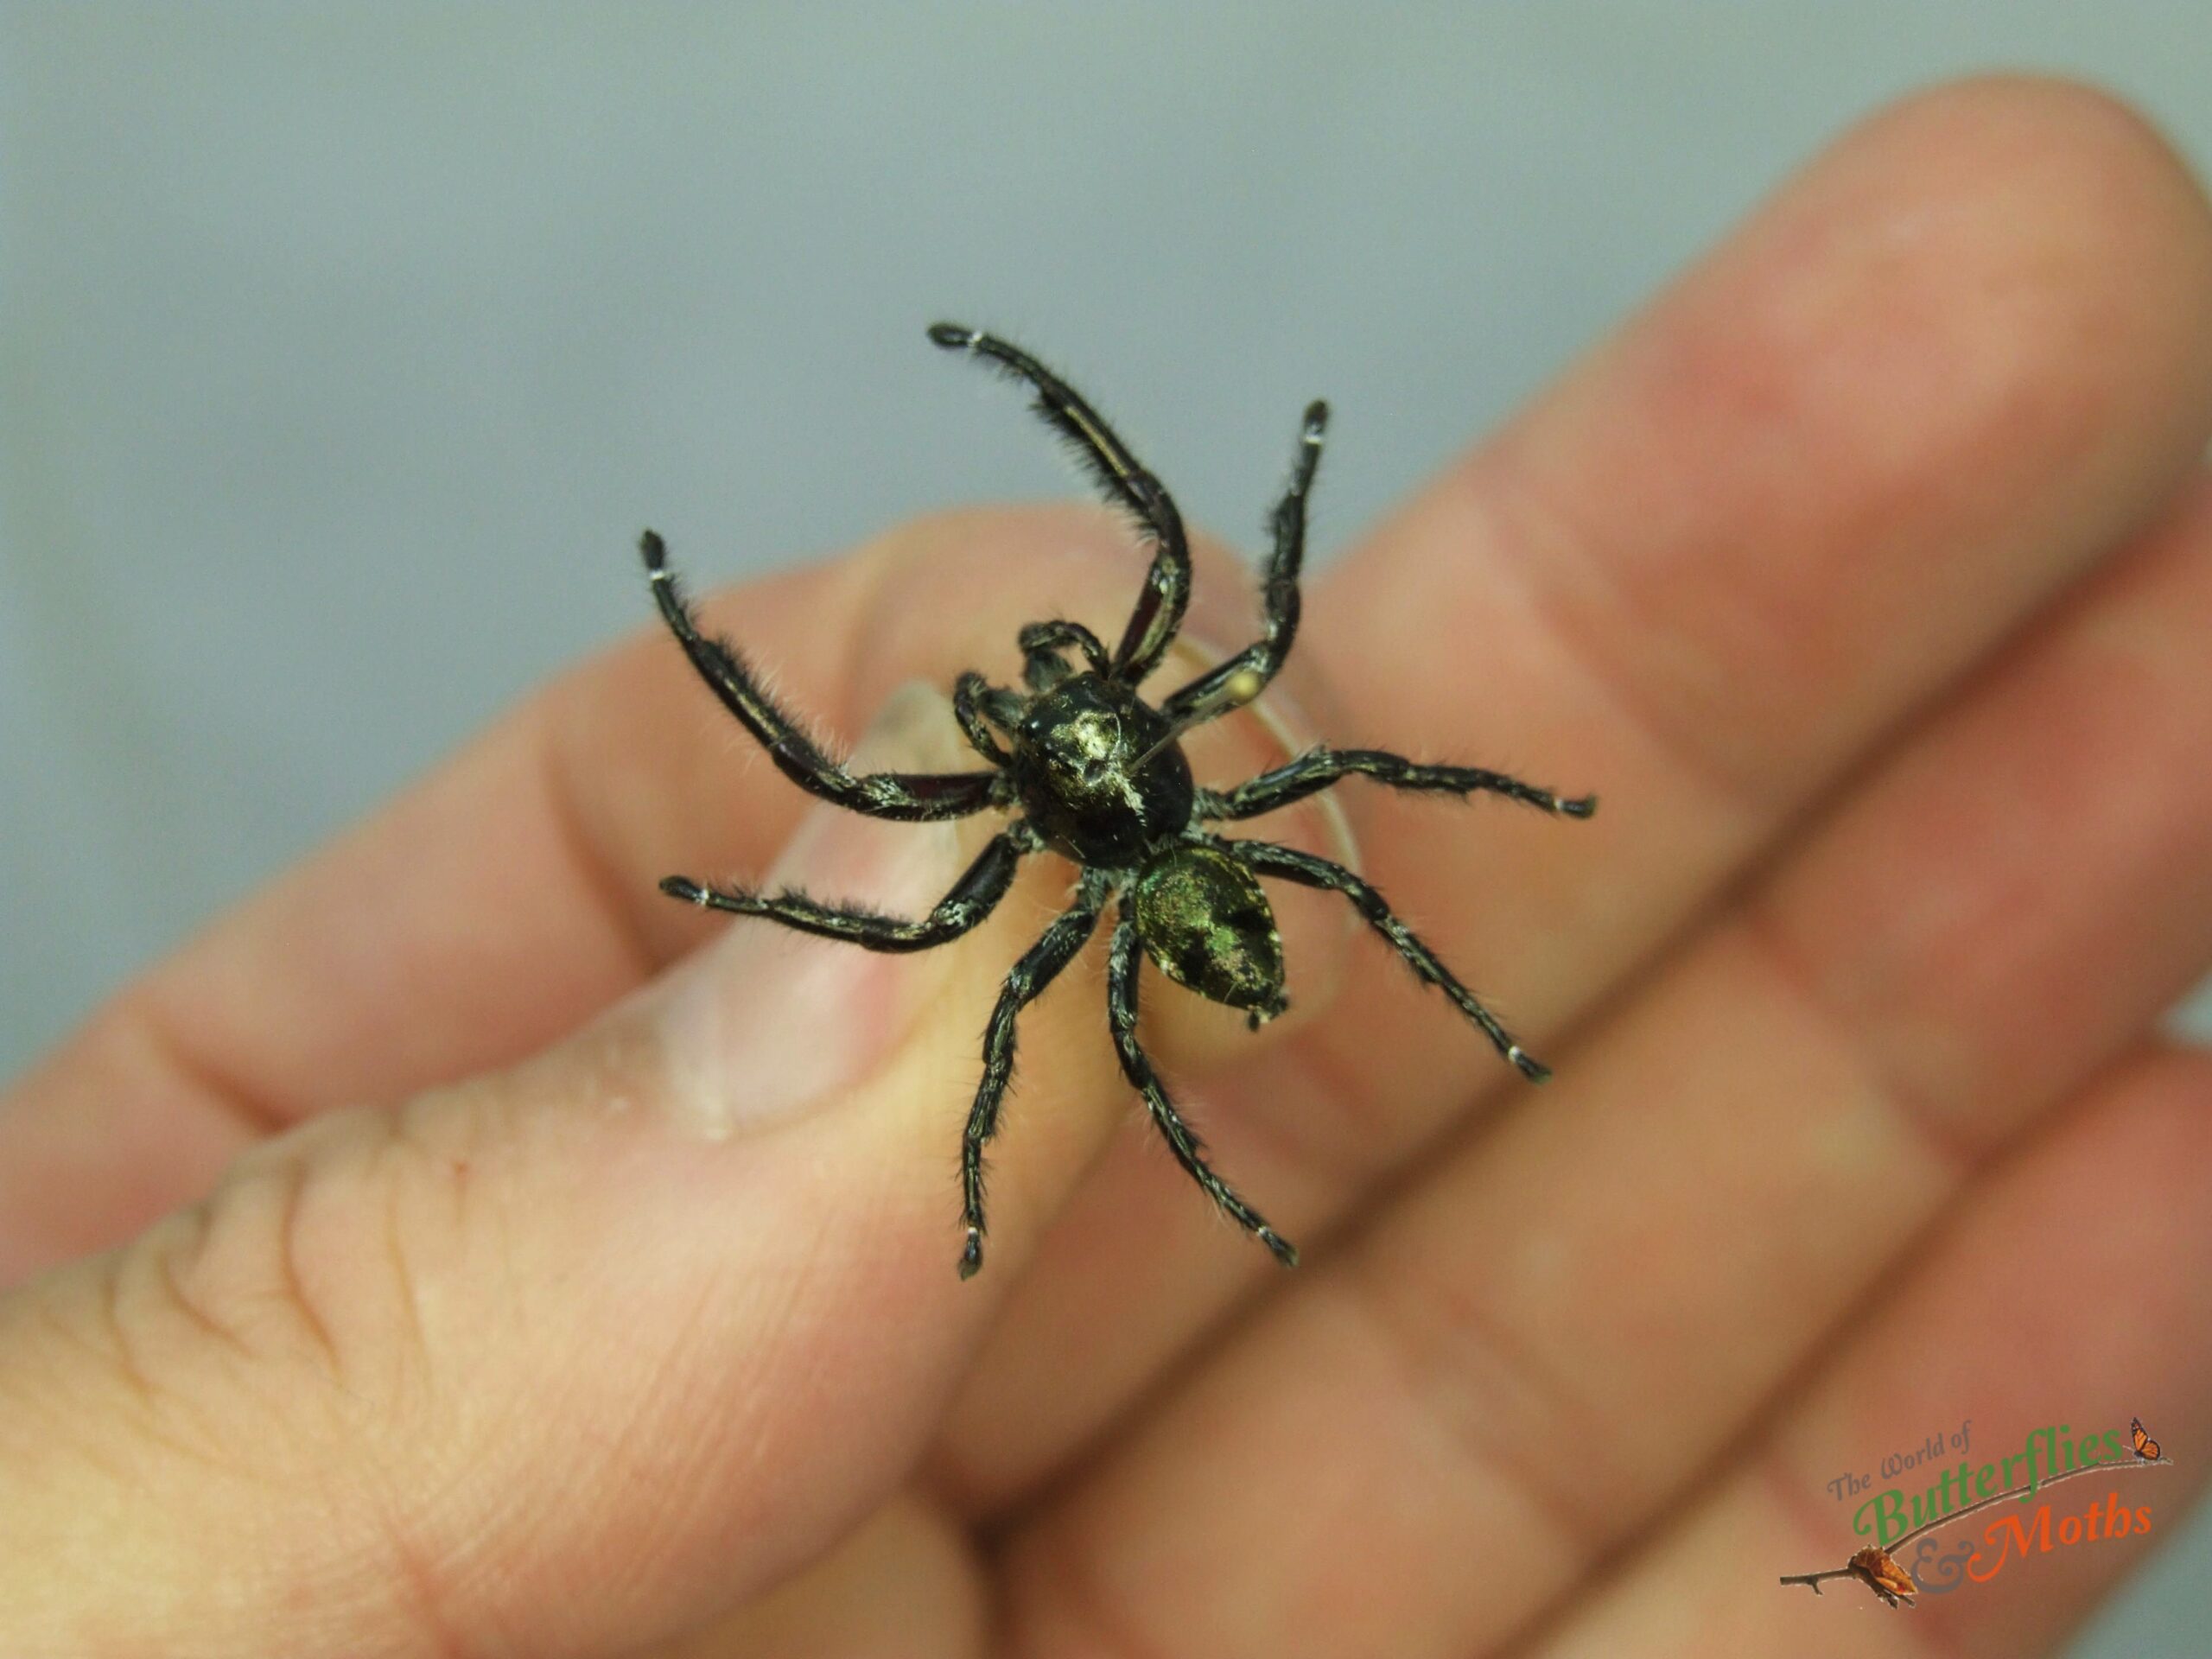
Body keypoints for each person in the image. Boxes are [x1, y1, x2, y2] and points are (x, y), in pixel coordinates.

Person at [3, 74, 2209, 1657]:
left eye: (1062, 691)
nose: (1050, 688)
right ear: (1068, 746)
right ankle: (1298, 1124)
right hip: (1178, 888)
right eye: (1040, 705)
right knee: (1167, 962)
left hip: (1170, 890)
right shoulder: (1054, 806)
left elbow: (1181, 578)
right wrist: (758, 874)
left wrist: (1036, 418)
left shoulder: (1083, 782)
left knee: (1298, 846)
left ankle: (1352, 1071)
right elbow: (940, 780)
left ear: (1099, 721)